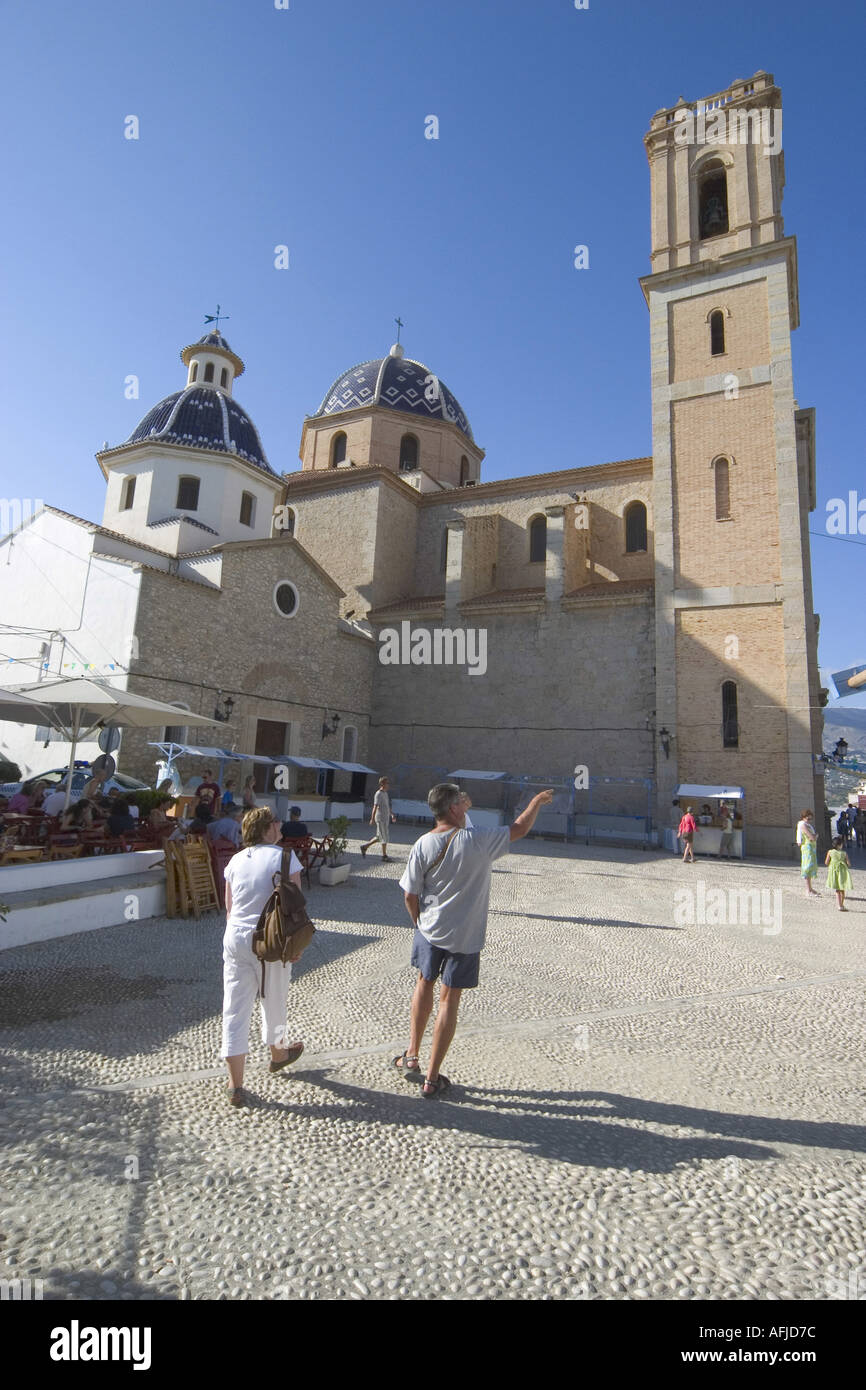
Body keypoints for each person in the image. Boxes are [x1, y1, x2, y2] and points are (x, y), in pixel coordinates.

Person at [396, 782, 554, 1098]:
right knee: (449, 999)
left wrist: (419, 922)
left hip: (430, 930)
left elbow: (410, 894)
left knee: (423, 983)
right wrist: (536, 801)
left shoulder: (423, 844)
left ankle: (411, 1055)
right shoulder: (478, 839)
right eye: (460, 800)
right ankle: (431, 1078)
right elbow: (519, 828)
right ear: (454, 808)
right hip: (465, 935)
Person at [222, 806, 306, 1108]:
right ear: (266, 827)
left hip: (235, 938)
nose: (280, 825)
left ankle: (235, 1084)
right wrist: (294, 945)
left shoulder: (235, 860)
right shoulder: (285, 857)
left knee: (234, 1009)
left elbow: (230, 908)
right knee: (275, 1000)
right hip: (270, 940)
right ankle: (278, 1052)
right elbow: (296, 908)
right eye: (276, 821)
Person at [361, 776, 396, 861]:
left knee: (379, 837)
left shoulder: (385, 793)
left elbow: (387, 806)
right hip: (380, 818)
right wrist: (372, 818)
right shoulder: (378, 794)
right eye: (387, 783)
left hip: (385, 818)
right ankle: (384, 856)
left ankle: (364, 847)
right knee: (384, 837)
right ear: (382, 784)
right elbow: (375, 806)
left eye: (388, 783)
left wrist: (392, 814)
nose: (388, 785)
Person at [824, 836, 853, 911]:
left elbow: (826, 862)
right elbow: (849, 864)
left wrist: (832, 864)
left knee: (837, 889)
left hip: (834, 872)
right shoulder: (844, 853)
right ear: (840, 845)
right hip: (842, 873)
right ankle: (841, 905)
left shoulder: (830, 852)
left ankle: (840, 905)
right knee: (842, 889)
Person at [796, 809, 819, 897]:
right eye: (808, 819)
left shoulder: (806, 825)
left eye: (810, 819)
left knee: (810, 867)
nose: (809, 821)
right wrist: (815, 836)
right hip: (808, 848)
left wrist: (814, 836)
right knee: (807, 867)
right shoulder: (803, 825)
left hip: (811, 848)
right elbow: (812, 837)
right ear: (803, 817)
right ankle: (808, 890)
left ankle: (810, 888)